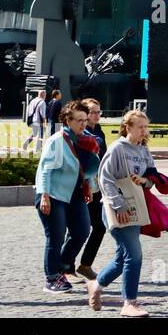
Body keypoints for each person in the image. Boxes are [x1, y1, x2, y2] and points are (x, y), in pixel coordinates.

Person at [88, 109, 157, 317]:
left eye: (146, 127)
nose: (144, 131)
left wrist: (145, 181)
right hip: (116, 209)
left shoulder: (144, 150)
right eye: (140, 127)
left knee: (122, 257)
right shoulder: (117, 148)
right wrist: (118, 205)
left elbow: (153, 177)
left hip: (135, 207)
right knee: (134, 255)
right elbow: (104, 179)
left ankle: (96, 285)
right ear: (128, 127)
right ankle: (129, 303)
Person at [34, 100, 100, 294]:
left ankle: (62, 265)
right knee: (55, 236)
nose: (83, 124)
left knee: (81, 231)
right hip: (53, 194)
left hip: (75, 194)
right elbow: (45, 170)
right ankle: (52, 278)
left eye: (85, 120)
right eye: (79, 120)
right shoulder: (57, 140)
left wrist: (88, 185)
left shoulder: (84, 140)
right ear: (67, 120)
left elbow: (84, 169)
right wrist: (44, 196)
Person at [66, 98, 108, 281]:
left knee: (99, 227)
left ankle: (85, 265)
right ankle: (66, 267)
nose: (96, 115)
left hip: (96, 186)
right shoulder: (78, 135)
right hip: (81, 187)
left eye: (99, 112)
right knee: (77, 228)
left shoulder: (99, 132)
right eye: (93, 112)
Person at [23, 90, 48, 154]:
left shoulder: (33, 100)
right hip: (38, 121)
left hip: (32, 120)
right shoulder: (42, 102)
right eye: (45, 95)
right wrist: (45, 123)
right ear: (43, 95)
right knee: (40, 135)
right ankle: (38, 149)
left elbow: (28, 110)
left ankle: (25, 144)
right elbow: (43, 115)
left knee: (34, 134)